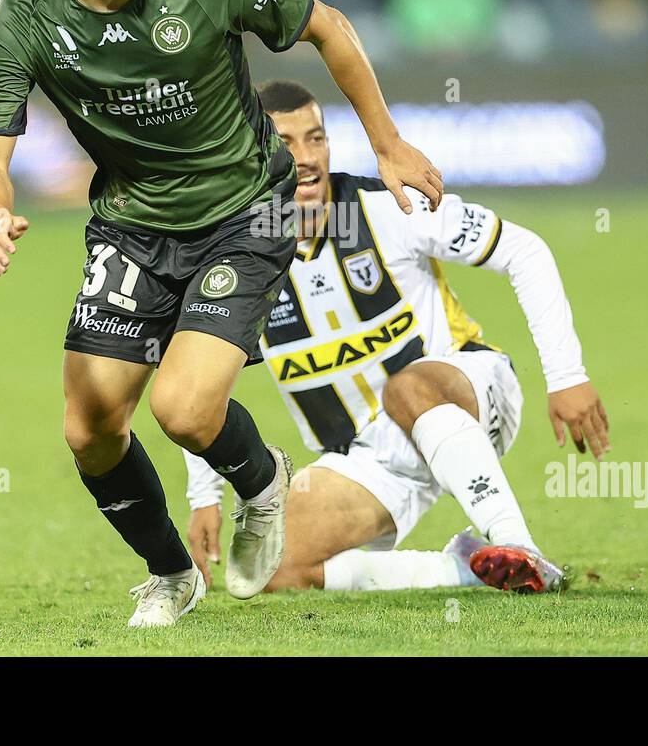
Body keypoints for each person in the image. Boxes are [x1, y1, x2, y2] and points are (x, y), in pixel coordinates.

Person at [0, 0, 442, 627]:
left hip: (246, 210)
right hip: (132, 227)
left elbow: (329, 25)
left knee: (183, 411)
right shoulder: (28, 14)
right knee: (89, 429)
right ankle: (171, 573)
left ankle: (261, 483)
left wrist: (387, 143)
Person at [185, 81, 608, 594]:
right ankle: (468, 569)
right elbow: (199, 379)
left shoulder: (387, 208)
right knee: (264, 570)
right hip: (370, 459)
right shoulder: (238, 260)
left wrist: (567, 378)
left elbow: (526, 251)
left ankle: (523, 548)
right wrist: (204, 493)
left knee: (406, 388)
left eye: (316, 138)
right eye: (286, 143)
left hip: (466, 394)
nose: (307, 158)